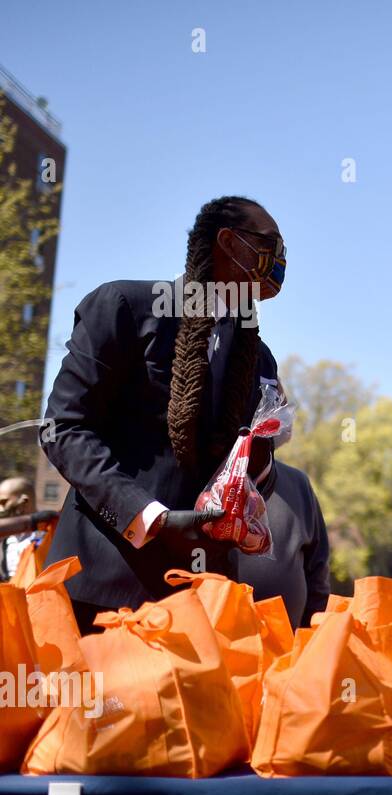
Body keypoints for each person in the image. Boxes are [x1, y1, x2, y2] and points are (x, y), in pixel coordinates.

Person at [41, 196, 285, 633]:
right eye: (269, 246)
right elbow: (63, 428)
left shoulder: (260, 358)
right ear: (226, 243)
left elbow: (252, 477)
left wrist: (259, 470)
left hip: (201, 599)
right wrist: (150, 516)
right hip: (100, 592)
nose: (280, 263)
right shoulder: (123, 307)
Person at [229, 458, 330, 627]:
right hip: (216, 645)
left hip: (290, 647)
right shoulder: (200, 481)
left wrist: (310, 641)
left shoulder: (298, 484)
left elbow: (317, 575)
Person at [0, 477, 58, 581]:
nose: (0, 508)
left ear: (24, 501)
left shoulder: (52, 533)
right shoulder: (4, 538)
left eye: (3, 502)